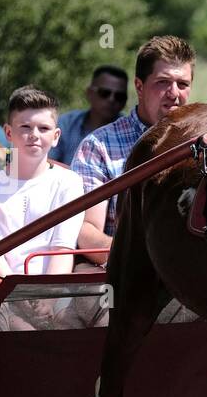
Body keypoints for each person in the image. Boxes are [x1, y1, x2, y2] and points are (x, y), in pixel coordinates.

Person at [71, 36, 194, 265]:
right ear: (139, 86)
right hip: (126, 281)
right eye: (163, 82)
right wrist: (144, 258)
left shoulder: (202, 143)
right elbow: (85, 231)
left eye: (183, 84)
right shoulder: (99, 145)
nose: (174, 93)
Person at [0, 85, 85, 278]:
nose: (34, 135)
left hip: (52, 290)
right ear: (8, 133)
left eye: (44, 128)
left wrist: (49, 297)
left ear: (56, 137)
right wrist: (12, 288)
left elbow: (63, 248)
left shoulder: (69, 183)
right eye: (25, 127)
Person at [48, 65, 128, 167]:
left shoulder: (130, 133)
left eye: (119, 96)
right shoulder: (66, 124)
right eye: (105, 93)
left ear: (125, 101)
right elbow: (47, 162)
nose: (111, 99)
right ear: (89, 93)